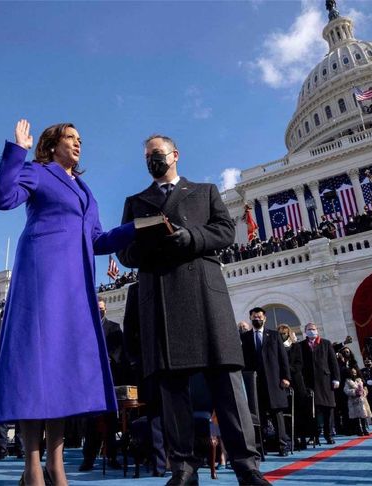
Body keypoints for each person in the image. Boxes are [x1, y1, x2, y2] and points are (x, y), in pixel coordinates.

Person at [0, 120, 135, 486]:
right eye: (70, 137)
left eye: (80, 139)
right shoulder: (38, 172)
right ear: (53, 145)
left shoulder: (86, 191)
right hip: (42, 277)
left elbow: (98, 240)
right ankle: (32, 467)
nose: (78, 143)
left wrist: (138, 228)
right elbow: (2, 198)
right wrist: (17, 151)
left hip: (75, 285)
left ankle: (56, 465)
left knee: (60, 370)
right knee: (36, 367)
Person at [117, 133, 269, 486]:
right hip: (161, 297)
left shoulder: (204, 191)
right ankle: (183, 467)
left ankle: (246, 465)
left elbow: (225, 231)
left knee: (227, 382)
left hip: (204, 293)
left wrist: (192, 237)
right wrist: (150, 245)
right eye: (147, 156)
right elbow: (125, 253)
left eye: (157, 153)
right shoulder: (135, 202)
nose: (153, 160)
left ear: (175, 155)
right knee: (172, 389)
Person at [80, 299, 126, 471]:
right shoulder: (86, 328)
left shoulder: (114, 328)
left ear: (106, 309)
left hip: (108, 380)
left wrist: (107, 361)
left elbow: (118, 352)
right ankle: (88, 458)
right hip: (91, 382)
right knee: (90, 422)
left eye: (102, 308)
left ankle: (112, 456)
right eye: (97, 308)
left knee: (110, 421)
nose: (100, 311)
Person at [240, 308, 292, 455]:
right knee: (259, 415)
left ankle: (283, 445)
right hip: (254, 383)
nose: (257, 319)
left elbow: (283, 358)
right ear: (251, 318)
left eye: (259, 316)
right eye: (254, 317)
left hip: (274, 381)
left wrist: (286, 377)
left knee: (277, 414)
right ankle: (262, 446)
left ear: (265, 318)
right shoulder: (245, 337)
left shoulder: (274, 335)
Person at [299, 323, 340, 445]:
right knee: (312, 411)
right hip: (309, 382)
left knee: (328, 409)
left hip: (325, 381)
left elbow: (333, 362)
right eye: (309, 329)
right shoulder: (301, 345)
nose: (311, 331)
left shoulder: (326, 343)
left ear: (317, 330)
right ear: (305, 331)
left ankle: (328, 435)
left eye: (313, 329)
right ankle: (314, 436)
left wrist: (336, 379)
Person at [343, 368, 371, 436]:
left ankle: (364, 429)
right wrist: (355, 392)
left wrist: (363, 392)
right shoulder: (347, 381)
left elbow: (365, 389)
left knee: (363, 415)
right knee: (356, 417)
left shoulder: (359, 380)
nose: (354, 374)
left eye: (355, 373)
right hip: (353, 401)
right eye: (352, 373)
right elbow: (346, 390)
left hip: (361, 400)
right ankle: (359, 430)